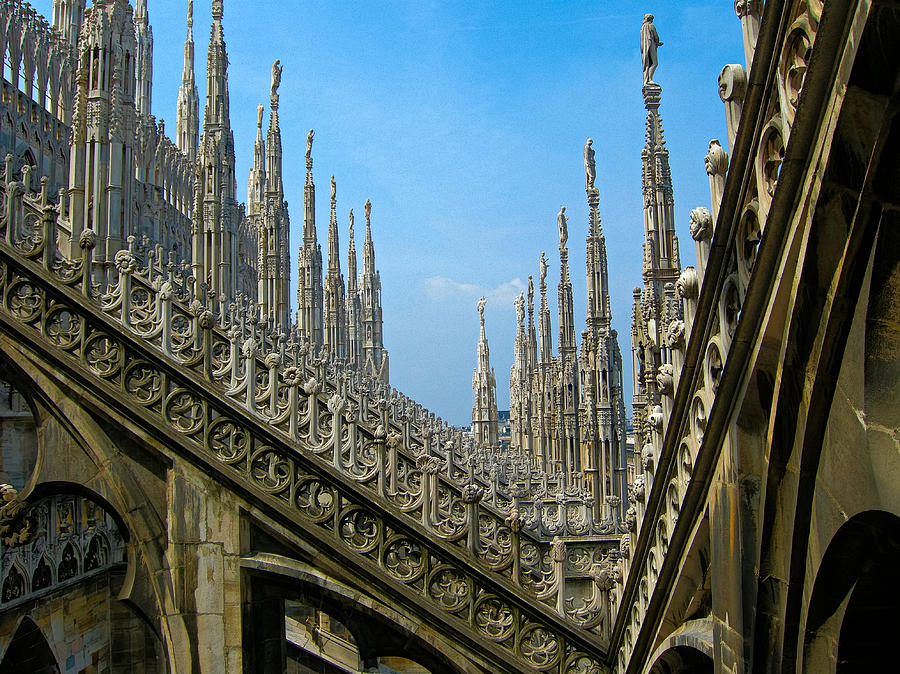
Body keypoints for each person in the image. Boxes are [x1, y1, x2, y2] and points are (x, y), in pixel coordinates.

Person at [640, 14, 663, 84]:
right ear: (650, 19)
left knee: (648, 63)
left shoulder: (642, 28)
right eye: (652, 19)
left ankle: (647, 79)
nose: (652, 20)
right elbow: (656, 36)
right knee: (655, 63)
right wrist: (658, 43)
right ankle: (650, 79)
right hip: (651, 45)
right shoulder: (651, 26)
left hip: (645, 47)